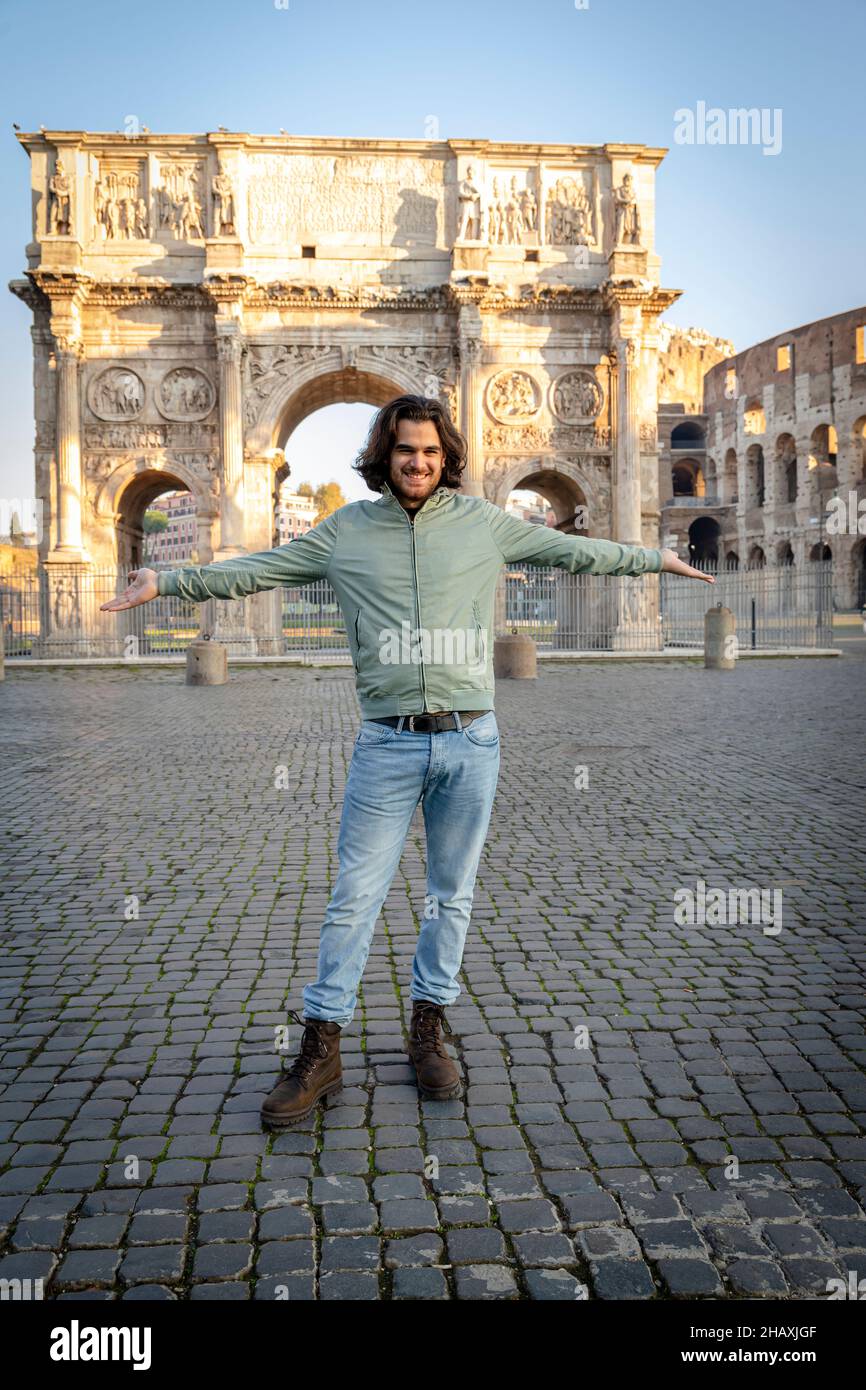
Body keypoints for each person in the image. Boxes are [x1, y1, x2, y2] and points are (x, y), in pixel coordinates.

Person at [100, 394, 713, 1128]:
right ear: (383, 457)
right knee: (353, 898)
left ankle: (429, 1031)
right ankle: (321, 1048)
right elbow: (258, 568)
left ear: (446, 455)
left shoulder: (485, 523)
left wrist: (655, 557)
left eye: (429, 451)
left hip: (471, 740)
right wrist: (167, 580)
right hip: (387, 743)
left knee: (450, 896)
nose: (417, 462)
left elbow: (576, 549)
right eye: (403, 451)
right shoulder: (344, 533)